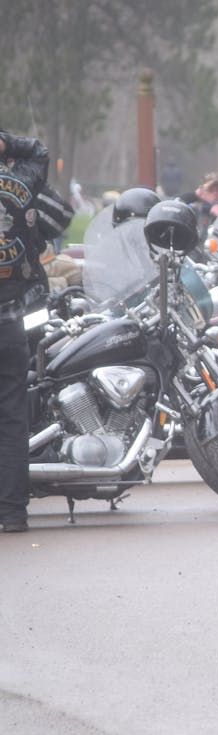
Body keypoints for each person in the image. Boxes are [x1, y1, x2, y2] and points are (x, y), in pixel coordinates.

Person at [0, 129, 50, 533]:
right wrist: (6, 141)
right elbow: (39, 151)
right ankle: (13, 512)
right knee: (13, 419)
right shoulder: (20, 183)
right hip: (9, 316)